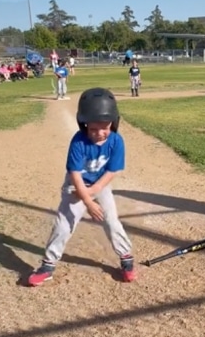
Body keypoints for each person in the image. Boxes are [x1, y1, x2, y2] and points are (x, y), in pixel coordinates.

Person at [27, 88, 136, 286]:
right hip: (76, 185)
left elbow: (112, 171)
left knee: (111, 221)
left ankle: (126, 258)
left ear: (113, 122)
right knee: (64, 224)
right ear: (84, 124)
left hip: (100, 184)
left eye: (104, 127)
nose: (99, 133)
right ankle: (48, 265)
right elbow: (74, 173)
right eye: (92, 128)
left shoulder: (116, 141)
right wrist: (86, 200)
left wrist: (92, 194)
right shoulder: (78, 140)